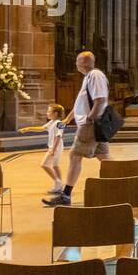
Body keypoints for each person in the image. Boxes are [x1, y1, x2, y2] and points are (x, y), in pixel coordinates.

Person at [44, 50, 110, 207]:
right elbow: (83, 102)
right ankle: (125, 184)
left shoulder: (95, 75)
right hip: (94, 123)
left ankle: (66, 195)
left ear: (83, 63)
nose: (75, 64)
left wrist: (89, 119)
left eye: (77, 61)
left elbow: (100, 100)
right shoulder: (88, 77)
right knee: (104, 157)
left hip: (91, 124)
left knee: (74, 156)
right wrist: (68, 119)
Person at [34, 104, 67, 194]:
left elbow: (58, 136)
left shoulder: (60, 123)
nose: (47, 113)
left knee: (44, 165)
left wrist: (53, 149)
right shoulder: (51, 122)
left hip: (56, 147)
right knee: (55, 166)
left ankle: (58, 182)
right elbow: (41, 128)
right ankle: (59, 187)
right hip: (55, 147)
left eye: (49, 111)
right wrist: (28, 129)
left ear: (55, 113)